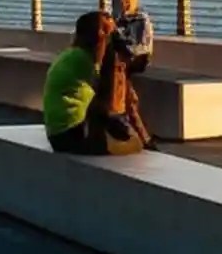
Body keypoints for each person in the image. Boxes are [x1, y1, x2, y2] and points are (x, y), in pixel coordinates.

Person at [43, 11, 155, 155]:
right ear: (99, 36)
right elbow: (109, 97)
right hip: (72, 134)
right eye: (110, 33)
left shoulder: (71, 55)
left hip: (59, 134)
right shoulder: (82, 60)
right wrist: (119, 55)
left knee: (119, 129)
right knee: (134, 143)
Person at [111, 0, 154, 73]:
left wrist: (118, 36)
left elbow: (140, 48)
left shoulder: (141, 19)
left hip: (136, 60)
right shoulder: (112, 19)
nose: (122, 1)